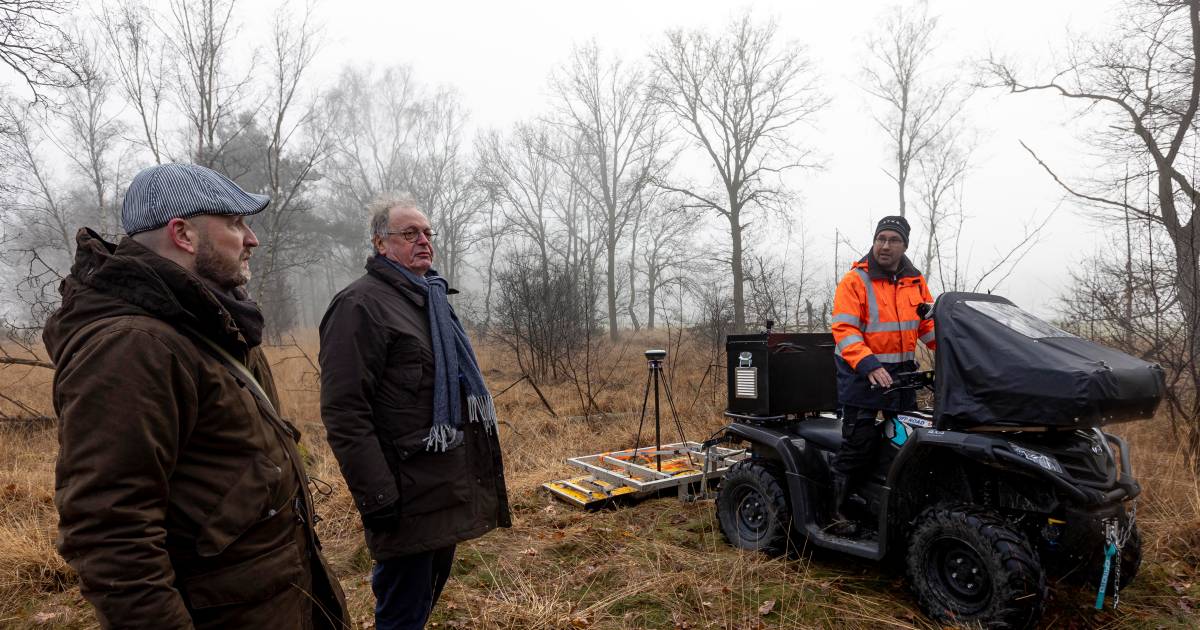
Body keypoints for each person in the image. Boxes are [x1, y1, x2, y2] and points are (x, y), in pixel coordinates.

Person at [43, 163, 347, 629]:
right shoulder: (133, 348)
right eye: (234, 223)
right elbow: (111, 534)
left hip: (272, 601)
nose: (252, 239)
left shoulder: (212, 324)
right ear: (182, 234)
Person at [319, 194, 511, 630]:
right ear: (380, 245)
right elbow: (345, 413)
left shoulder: (432, 300)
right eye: (410, 233)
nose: (424, 240)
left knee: (421, 604)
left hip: (441, 485)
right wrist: (377, 498)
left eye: (427, 232)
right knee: (401, 613)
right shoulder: (359, 306)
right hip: (403, 496)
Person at [830, 215, 936, 532]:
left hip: (901, 377)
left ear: (904, 245)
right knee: (858, 445)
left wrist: (957, 353)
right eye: (881, 239)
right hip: (862, 374)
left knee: (905, 444)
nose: (885, 246)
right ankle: (835, 511)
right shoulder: (855, 281)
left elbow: (928, 327)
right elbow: (844, 329)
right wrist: (869, 365)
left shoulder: (915, 282)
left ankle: (891, 507)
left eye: (893, 240)